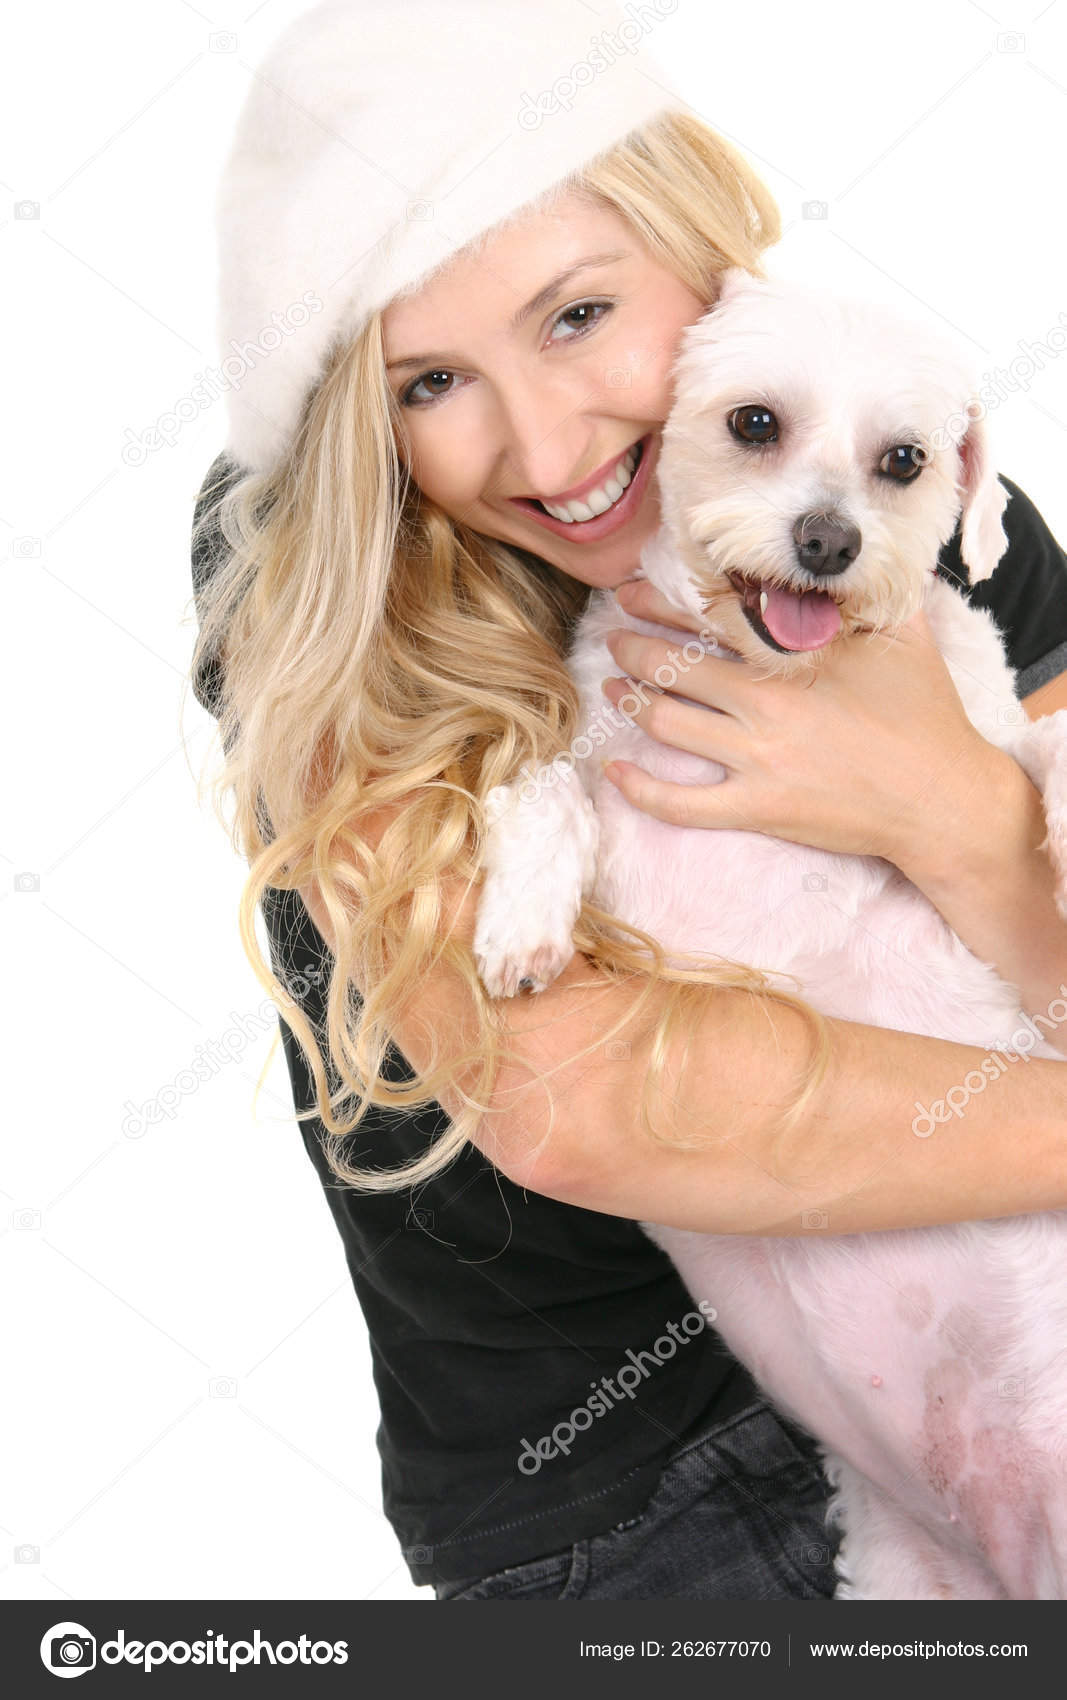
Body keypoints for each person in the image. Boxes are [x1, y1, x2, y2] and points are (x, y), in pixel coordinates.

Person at [189, 0, 1067, 1601]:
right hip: (634, 1488)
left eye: (581, 315)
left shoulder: (880, 464)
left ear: (706, 256)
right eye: (427, 381)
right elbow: (584, 1103)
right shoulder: (312, 580)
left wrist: (945, 808)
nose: (548, 441)